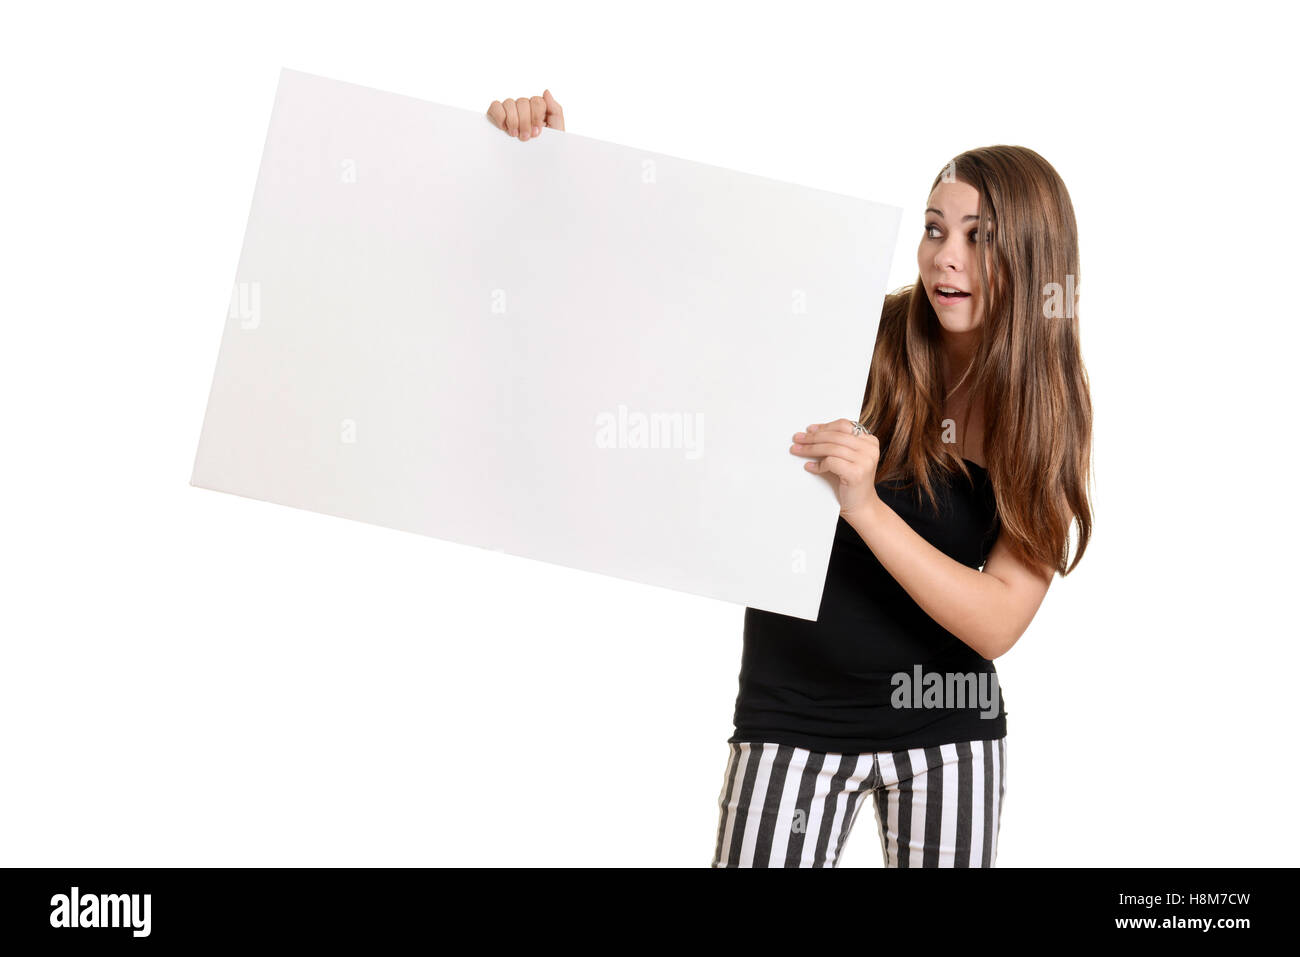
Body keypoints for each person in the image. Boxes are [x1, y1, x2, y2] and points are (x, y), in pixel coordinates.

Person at [486, 92, 1093, 868]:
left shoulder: (1046, 402)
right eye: (936, 229)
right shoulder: (854, 334)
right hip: (791, 715)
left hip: (950, 731)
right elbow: (677, 319)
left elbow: (1000, 618)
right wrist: (561, 175)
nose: (946, 255)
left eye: (979, 238)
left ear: (1035, 258)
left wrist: (866, 507)